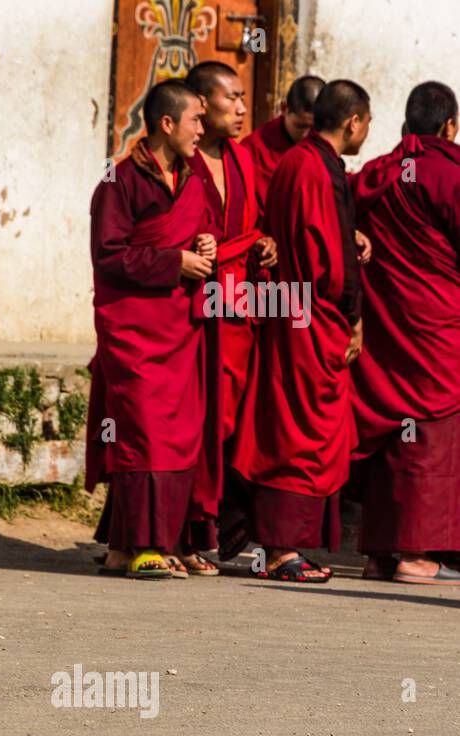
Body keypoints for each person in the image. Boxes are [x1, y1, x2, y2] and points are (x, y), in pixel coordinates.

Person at [228, 80, 374, 582]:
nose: (366, 131)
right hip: (314, 317)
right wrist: (353, 318)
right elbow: (331, 267)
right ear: (353, 121)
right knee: (300, 434)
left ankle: (280, 547)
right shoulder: (324, 168)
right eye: (366, 122)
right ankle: (283, 550)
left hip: (288, 310)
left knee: (283, 423)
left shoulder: (294, 161)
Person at [87, 79, 217, 579]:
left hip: (178, 326)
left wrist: (203, 245)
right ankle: (143, 545)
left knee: (178, 435)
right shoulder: (117, 181)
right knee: (142, 433)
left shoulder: (191, 177)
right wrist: (174, 260)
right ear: (167, 123)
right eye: (195, 121)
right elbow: (109, 255)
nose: (202, 130)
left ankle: (138, 545)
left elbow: (201, 226)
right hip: (135, 329)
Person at [351, 81, 460, 585]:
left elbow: (340, 213)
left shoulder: (380, 171)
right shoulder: (448, 174)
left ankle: (379, 553)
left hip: (385, 327)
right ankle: (418, 556)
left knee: (391, 429)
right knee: (431, 434)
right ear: (450, 126)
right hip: (438, 326)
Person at [182, 62, 278, 572]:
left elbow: (256, 221)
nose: (243, 109)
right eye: (232, 98)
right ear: (200, 102)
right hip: (191, 309)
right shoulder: (181, 159)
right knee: (193, 419)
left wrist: (265, 243)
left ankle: (211, 530)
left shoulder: (242, 159)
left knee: (228, 420)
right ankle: (182, 532)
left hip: (238, 307)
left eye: (244, 98)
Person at [242, 74, 325, 209]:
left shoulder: (324, 142)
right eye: (300, 126)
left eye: (314, 128)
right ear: (284, 108)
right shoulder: (254, 149)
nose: (306, 136)